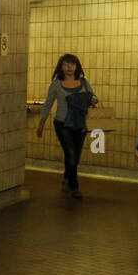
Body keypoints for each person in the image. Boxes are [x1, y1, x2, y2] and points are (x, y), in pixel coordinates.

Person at [35, 53, 98, 199]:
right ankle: (74, 187)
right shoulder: (56, 84)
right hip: (62, 123)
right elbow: (48, 105)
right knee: (70, 153)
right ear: (61, 67)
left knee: (75, 155)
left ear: (77, 66)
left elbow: (93, 98)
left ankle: (66, 175)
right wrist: (41, 124)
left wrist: (93, 101)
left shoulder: (84, 83)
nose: (69, 67)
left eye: (72, 64)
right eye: (65, 64)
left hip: (80, 123)